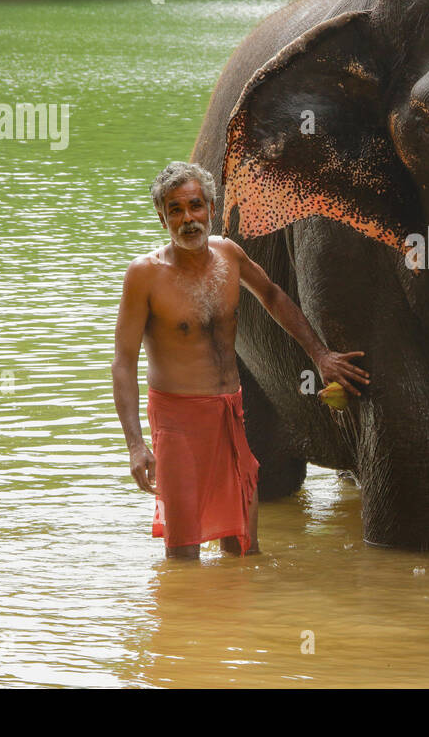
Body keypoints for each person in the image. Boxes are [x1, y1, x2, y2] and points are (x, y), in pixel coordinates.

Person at [112, 161, 369, 559]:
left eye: (195, 206)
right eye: (175, 210)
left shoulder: (228, 255)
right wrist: (135, 446)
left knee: (245, 548)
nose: (188, 219)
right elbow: (123, 363)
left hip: (230, 413)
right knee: (184, 552)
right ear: (162, 218)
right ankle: (186, 618)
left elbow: (272, 295)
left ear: (211, 209)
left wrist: (320, 355)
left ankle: (240, 617)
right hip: (177, 421)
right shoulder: (144, 275)